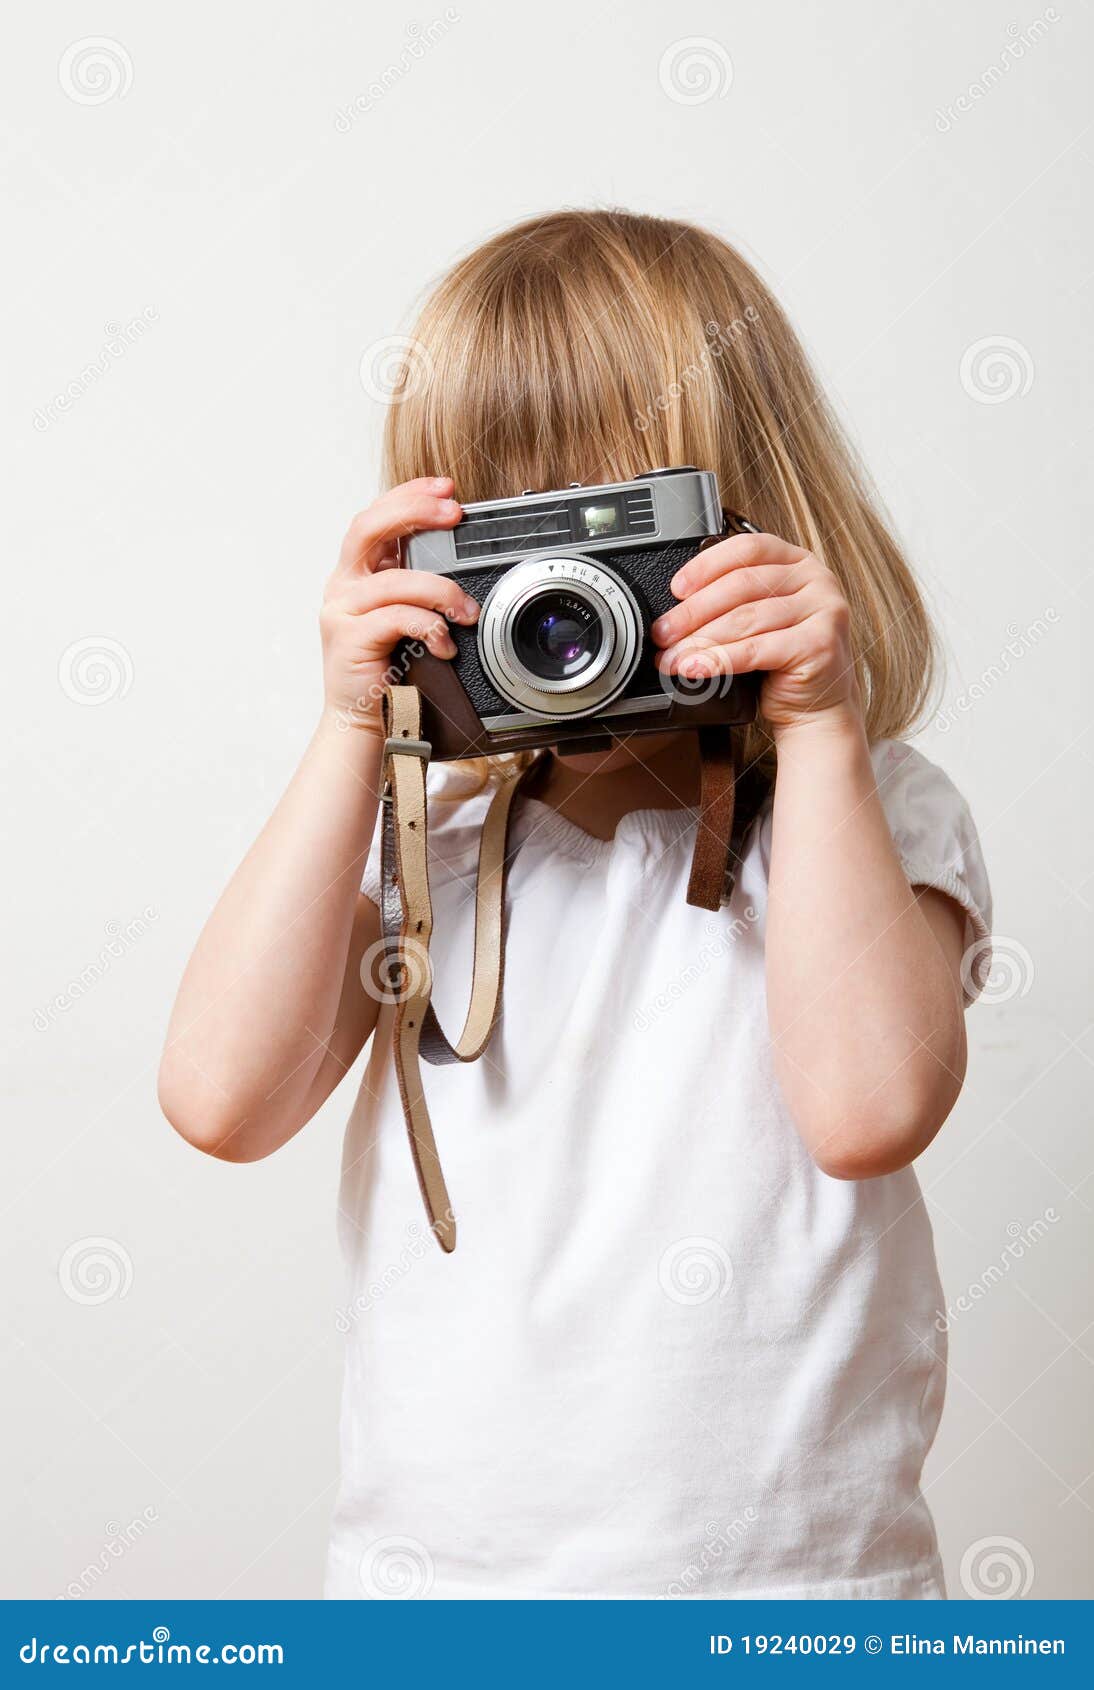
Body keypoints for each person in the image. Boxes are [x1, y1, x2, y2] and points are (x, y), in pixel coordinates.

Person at [159, 210, 992, 1600]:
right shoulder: (427, 832)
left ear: (757, 522)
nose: (569, 601)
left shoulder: (866, 805)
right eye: (507, 543)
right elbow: (220, 1101)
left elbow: (866, 1113)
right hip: (441, 1593)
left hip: (796, 1595)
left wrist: (825, 730)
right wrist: (352, 732)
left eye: (618, 540)